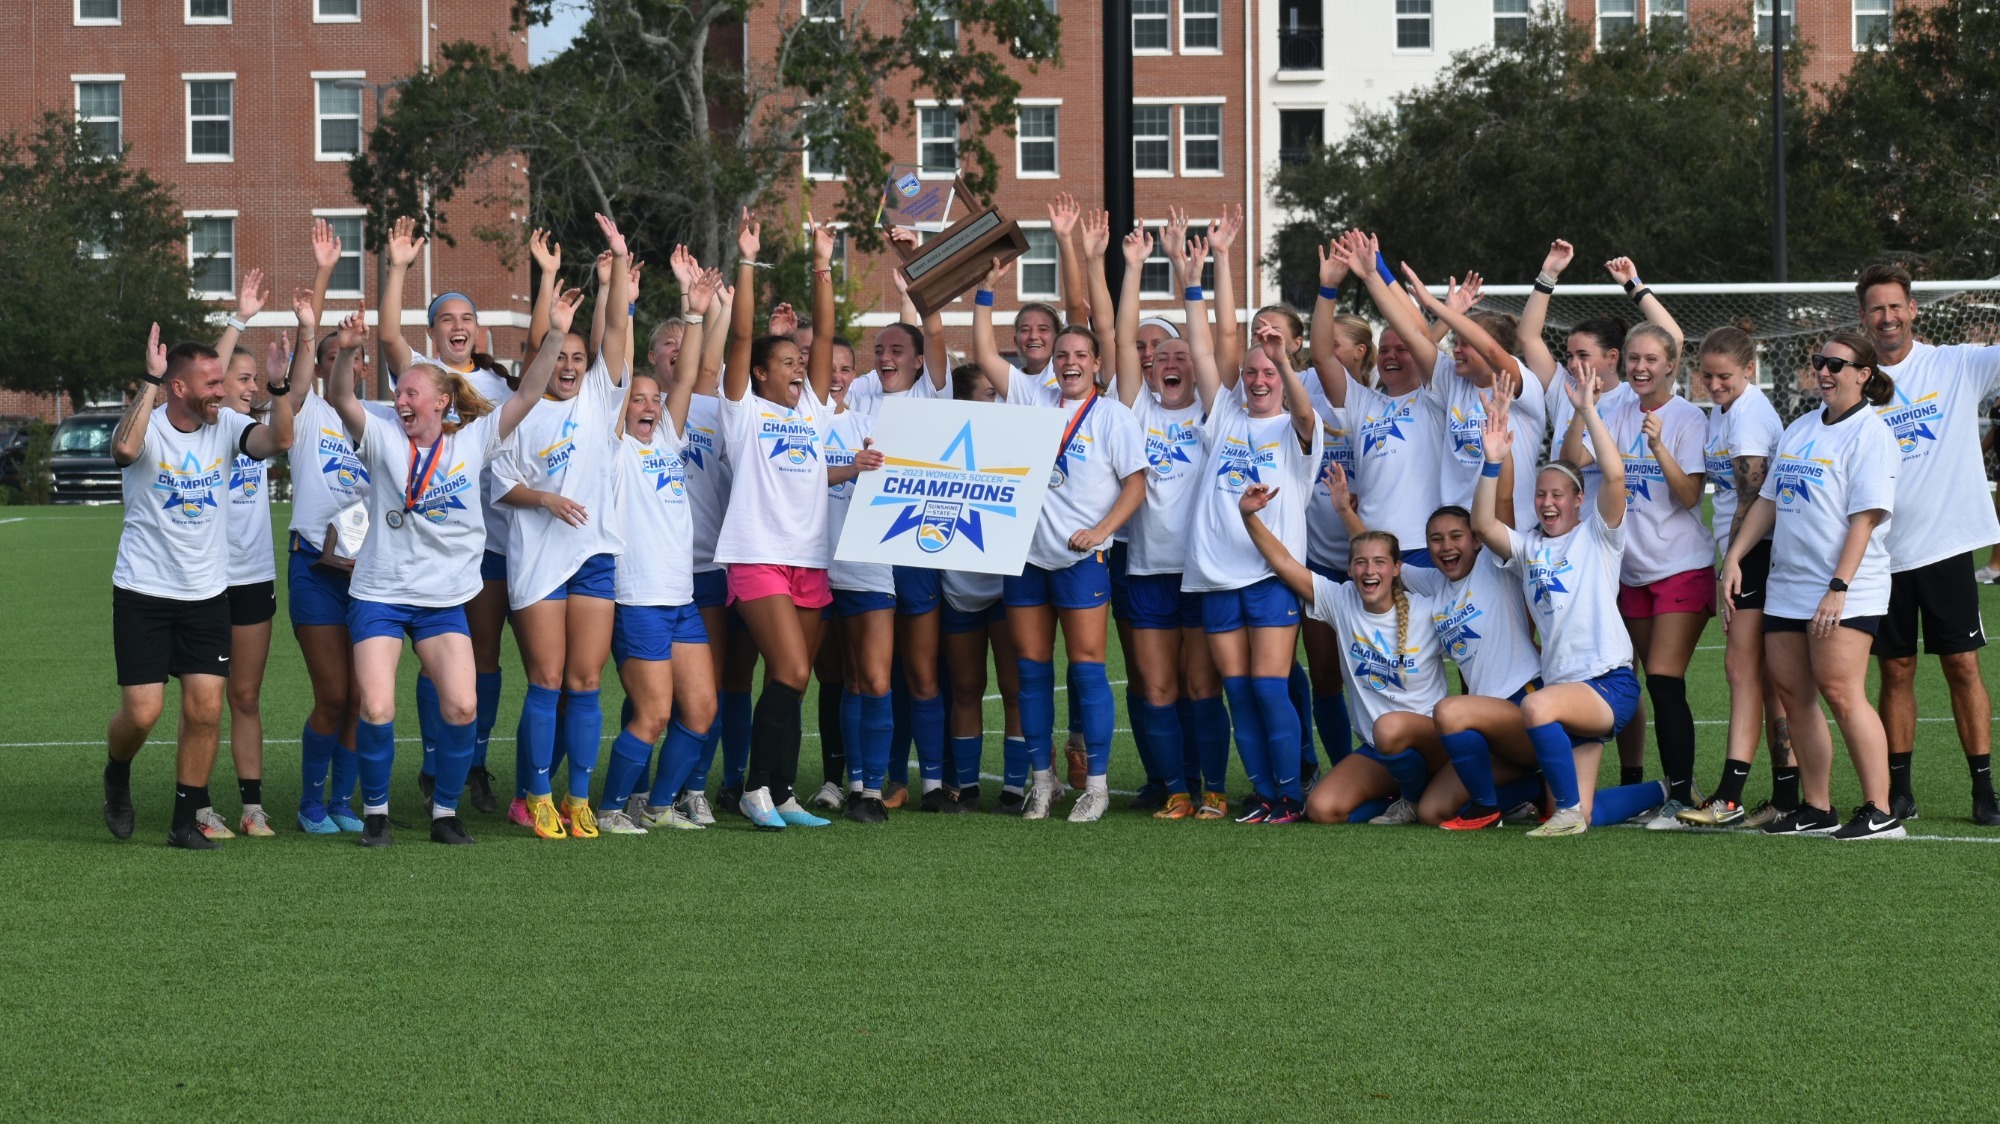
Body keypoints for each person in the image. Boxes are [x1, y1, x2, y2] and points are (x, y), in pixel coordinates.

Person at [325, 285, 568, 846]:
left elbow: (530, 392)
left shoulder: (472, 440)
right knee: (379, 705)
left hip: (440, 601)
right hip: (381, 595)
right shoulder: (384, 438)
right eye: (398, 392)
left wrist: (554, 331)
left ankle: (445, 814)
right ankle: (379, 814)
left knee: (462, 705)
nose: (401, 400)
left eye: (411, 392)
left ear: (439, 402)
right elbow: (342, 398)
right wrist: (343, 353)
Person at [103, 325, 295, 849]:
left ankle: (183, 820)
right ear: (180, 388)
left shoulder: (228, 424)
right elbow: (123, 449)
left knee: (206, 708)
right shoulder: (152, 427)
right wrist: (150, 378)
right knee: (142, 714)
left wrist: (278, 390)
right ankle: (117, 773)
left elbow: (277, 440)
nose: (222, 390)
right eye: (211, 382)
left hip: (208, 594)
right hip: (144, 591)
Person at [981, 252, 1148, 822]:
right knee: (1030, 672)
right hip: (1025, 558)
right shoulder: (1035, 400)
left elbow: (1136, 487)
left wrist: (1101, 531)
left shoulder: (1112, 416)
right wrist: (985, 292)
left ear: (1097, 362)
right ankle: (1043, 781)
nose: (1070, 363)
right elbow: (983, 355)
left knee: (1085, 669)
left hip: (1081, 560)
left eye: (1080, 355)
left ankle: (1096, 784)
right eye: (1061, 357)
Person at [1722, 333, 1905, 840]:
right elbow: (1769, 502)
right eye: (1818, 362)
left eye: (1835, 365)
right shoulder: (1801, 428)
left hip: (1846, 587)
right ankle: (1817, 807)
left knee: (1842, 693)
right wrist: (1734, 557)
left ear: (1863, 373)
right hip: (1788, 585)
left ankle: (1880, 809)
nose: (1824, 371)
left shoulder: (1871, 434)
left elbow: (1864, 522)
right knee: (1792, 692)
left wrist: (1838, 586)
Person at [715, 213, 858, 829]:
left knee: (790, 681)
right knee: (793, 669)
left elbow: (824, 337)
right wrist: (747, 260)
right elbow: (741, 337)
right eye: (787, 362)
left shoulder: (814, 416)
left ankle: (782, 791)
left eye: (802, 362)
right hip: (756, 554)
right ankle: (754, 789)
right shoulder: (742, 412)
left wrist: (823, 261)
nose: (800, 367)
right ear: (760, 373)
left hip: (809, 558)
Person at [494, 215, 634, 840]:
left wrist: (617, 268)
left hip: (593, 556)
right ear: (546, 360)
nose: (571, 364)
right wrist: (544, 500)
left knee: (585, 681)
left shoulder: (602, 399)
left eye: (580, 356)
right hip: (537, 559)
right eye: (562, 355)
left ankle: (580, 798)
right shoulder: (518, 414)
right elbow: (501, 484)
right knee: (547, 678)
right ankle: (539, 794)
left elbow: (618, 332)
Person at [380, 215, 517, 815]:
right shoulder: (422, 379)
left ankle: (474, 761)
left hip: (500, 537)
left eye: (466, 318)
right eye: (446, 319)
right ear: (433, 332)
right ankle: (435, 766)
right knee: (437, 654)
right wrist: (400, 268)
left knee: (481, 659)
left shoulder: (500, 382)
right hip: (429, 541)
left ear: (477, 329)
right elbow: (387, 334)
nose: (457, 327)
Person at [1560, 275, 1709, 828]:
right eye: (1635, 360)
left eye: (1653, 360)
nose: (1641, 368)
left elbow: (1690, 495)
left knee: (1666, 680)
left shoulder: (1690, 417)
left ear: (1671, 365)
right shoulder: (1613, 403)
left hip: (1679, 567)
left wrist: (1656, 447)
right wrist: (1584, 408)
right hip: (1625, 571)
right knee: (1637, 678)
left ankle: (1680, 795)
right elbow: (1572, 461)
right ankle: (1644, 786)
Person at [1471, 367, 1641, 837]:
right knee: (1583, 812)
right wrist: (1491, 462)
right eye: (1541, 494)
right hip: (1569, 691)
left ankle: (1564, 814)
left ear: (1578, 500)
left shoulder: (1598, 536)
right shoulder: (1529, 547)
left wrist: (1586, 411)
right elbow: (1484, 526)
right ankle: (1660, 793)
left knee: (1536, 708)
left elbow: (1615, 473)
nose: (1547, 502)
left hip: (1607, 684)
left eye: (1558, 495)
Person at [1857, 264, 2000, 825]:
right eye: (1876, 309)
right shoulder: (1857, 381)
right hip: (1881, 554)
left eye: (1896, 306)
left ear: (1913, 309)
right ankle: (1900, 791)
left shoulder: (1957, 363)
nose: (1887, 318)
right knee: (1896, 671)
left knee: (1963, 665)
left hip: (1945, 548)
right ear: (1864, 317)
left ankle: (1984, 790)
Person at [1182, 299, 1324, 825]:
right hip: (1215, 576)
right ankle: (1265, 795)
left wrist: (1280, 356)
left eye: (1267, 372)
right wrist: (1191, 281)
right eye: (1250, 372)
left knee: (1269, 687)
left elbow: (1308, 415)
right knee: (1238, 693)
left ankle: (1290, 795)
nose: (1258, 380)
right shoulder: (1224, 417)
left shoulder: (1295, 428)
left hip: (1271, 576)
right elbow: (1201, 350)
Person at [595, 258, 723, 834]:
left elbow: (690, 375)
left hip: (681, 597)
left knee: (701, 711)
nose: (648, 405)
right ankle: (611, 807)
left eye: (654, 399)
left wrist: (694, 312)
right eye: (637, 398)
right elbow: (616, 363)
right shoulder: (616, 447)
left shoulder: (666, 440)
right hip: (638, 597)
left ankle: (661, 804)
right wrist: (620, 295)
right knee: (653, 715)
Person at [1238, 481, 1448, 826]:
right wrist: (1249, 518)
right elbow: (1284, 563)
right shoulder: (1342, 601)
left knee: (1389, 726)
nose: (1369, 571)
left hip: (1432, 744)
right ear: (1350, 570)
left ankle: (1416, 796)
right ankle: (1399, 800)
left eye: (1380, 562)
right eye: (1361, 563)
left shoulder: (1427, 608)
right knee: (1322, 809)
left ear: (1397, 569)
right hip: (1379, 749)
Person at [1113, 220, 1224, 819]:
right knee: (1156, 688)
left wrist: (1193, 282)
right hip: (1147, 570)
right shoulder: (1133, 411)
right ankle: (1177, 788)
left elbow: (1211, 346)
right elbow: (1125, 335)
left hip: (1201, 571)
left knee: (1202, 688)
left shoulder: (1212, 412)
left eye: (1181, 354)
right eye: (1160, 357)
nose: (1169, 362)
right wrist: (1132, 267)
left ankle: (1212, 788)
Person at [284, 220, 386, 835]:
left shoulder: (381, 419)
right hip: (315, 572)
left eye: (350, 354)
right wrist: (323, 276)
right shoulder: (307, 409)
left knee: (362, 698)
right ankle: (309, 802)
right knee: (332, 694)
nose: (341, 363)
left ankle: (344, 800)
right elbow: (301, 368)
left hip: (373, 573)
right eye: (331, 355)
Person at [1679, 326, 1796, 828]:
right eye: (1706, 375)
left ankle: (1730, 795)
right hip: (1747, 553)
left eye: (1724, 375)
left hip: (1757, 553)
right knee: (1766, 677)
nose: (1713, 384)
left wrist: (1732, 564)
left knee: (1740, 667)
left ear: (1750, 369)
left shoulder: (1748, 417)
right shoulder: (1725, 410)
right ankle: (1788, 796)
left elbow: (1751, 500)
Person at [941, 362, 1030, 813]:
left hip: (1007, 588)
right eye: (990, 394)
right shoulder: (941, 448)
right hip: (958, 589)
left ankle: (1015, 788)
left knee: (1014, 688)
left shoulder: (1016, 442)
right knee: (965, 687)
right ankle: (969, 786)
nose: (999, 400)